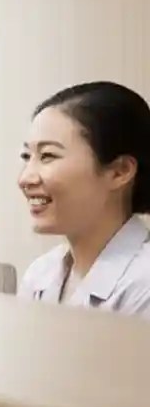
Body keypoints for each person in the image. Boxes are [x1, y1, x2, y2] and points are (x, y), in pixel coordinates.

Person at [17, 81, 150, 314]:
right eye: (27, 156)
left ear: (120, 171)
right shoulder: (40, 275)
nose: (25, 178)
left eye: (47, 155)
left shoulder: (144, 284)